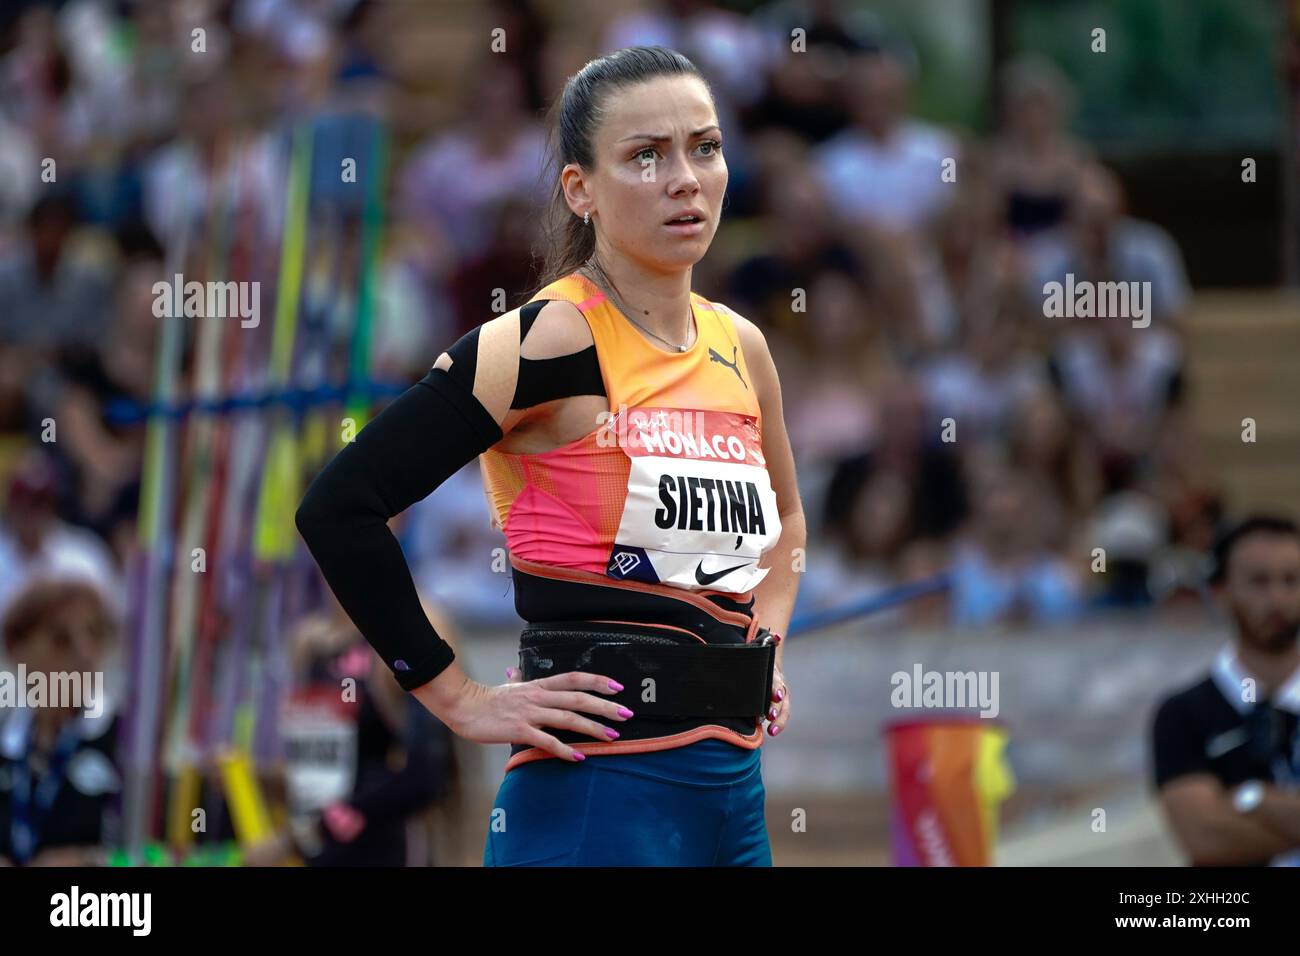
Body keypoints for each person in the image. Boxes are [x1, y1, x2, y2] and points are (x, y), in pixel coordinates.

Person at [296, 46, 805, 867]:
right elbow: (340, 508)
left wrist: (767, 643)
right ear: (581, 190)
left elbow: (786, 520)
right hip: (592, 802)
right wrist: (458, 698)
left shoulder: (741, 346)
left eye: (703, 147)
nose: (685, 177)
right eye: (646, 155)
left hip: (734, 806)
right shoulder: (545, 339)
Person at [1151, 516, 1300, 865]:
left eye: (1291, 580)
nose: (1277, 598)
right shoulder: (1183, 713)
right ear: (1220, 593)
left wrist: (1251, 799)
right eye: (1258, 582)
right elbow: (1204, 838)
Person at [0, 577, 120, 867]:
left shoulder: (127, 739)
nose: (84, 653)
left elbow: (172, 851)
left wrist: (91, 861)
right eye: (61, 639)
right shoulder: (6, 735)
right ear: (17, 649)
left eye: (94, 635)